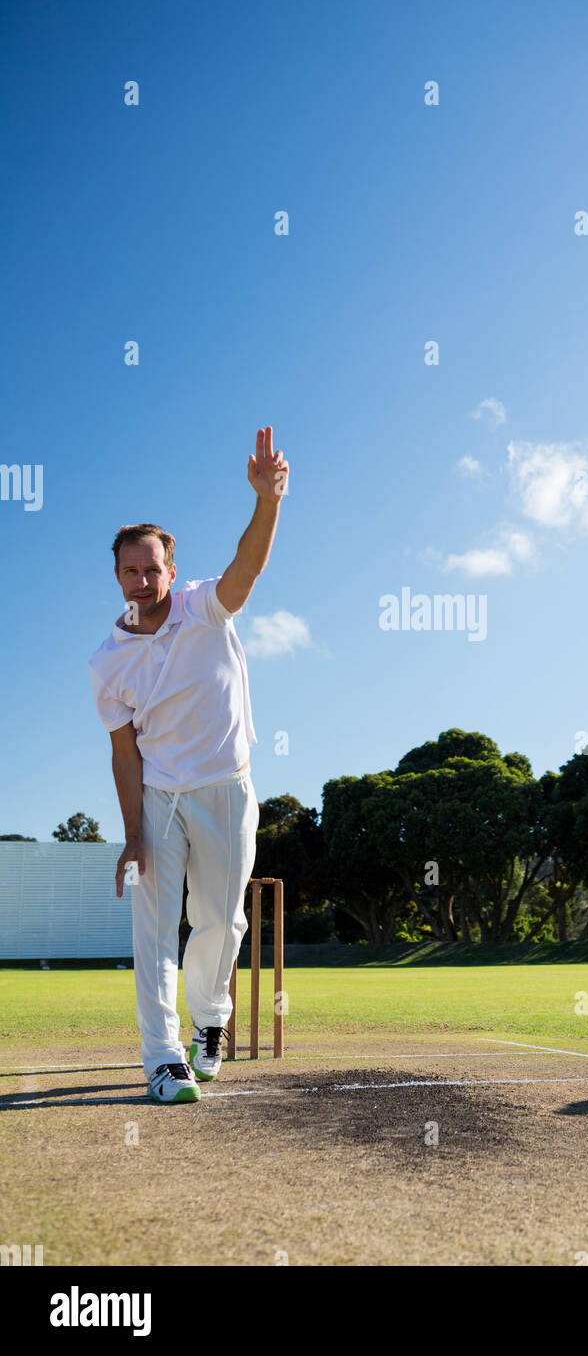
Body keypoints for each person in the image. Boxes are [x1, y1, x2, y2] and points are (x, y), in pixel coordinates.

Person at [88, 427, 288, 1103]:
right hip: (157, 797)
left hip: (226, 788)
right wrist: (133, 832)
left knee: (221, 920)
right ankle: (161, 1057)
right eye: (130, 570)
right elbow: (123, 752)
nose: (143, 580)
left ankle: (210, 1022)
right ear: (118, 576)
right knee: (153, 929)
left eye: (153, 569)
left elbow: (247, 569)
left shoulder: (205, 607)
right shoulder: (106, 663)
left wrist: (267, 501)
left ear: (172, 571)